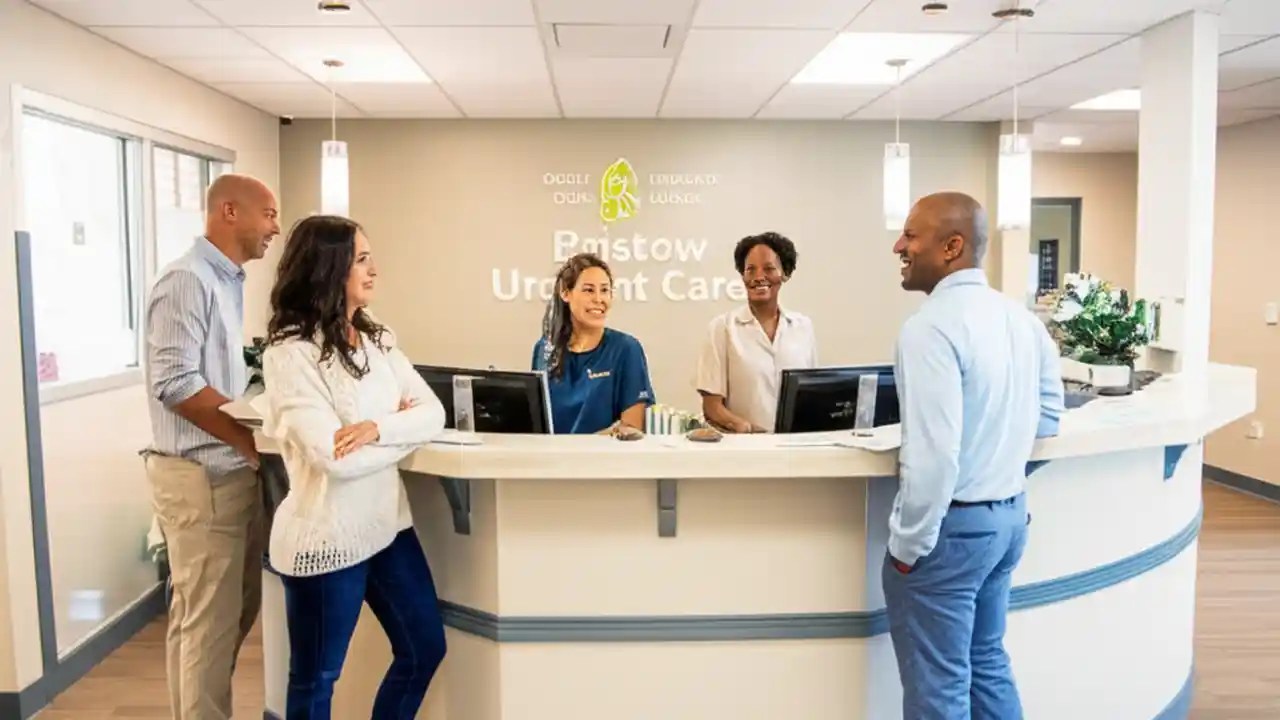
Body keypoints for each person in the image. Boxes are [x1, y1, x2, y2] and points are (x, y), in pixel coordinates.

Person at [251, 216, 448, 719]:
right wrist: (400, 429)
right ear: (328, 268)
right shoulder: (291, 355)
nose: (374, 269)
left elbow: (433, 413)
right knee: (316, 681)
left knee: (424, 649)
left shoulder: (377, 339)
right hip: (325, 538)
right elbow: (332, 459)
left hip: (387, 526)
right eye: (361, 259)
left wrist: (378, 429)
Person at [882, 192, 1064, 720]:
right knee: (986, 661)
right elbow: (1048, 419)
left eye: (911, 235)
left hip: (951, 535)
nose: (899, 245)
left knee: (938, 689)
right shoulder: (1021, 319)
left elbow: (933, 456)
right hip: (1008, 520)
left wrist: (908, 547)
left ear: (952, 246)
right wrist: (999, 465)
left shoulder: (929, 327)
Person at [142, 173, 278, 720]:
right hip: (201, 477)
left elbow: (214, 376)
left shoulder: (227, 280)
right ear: (229, 211)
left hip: (224, 472)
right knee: (208, 627)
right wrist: (250, 440)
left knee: (216, 621)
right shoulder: (187, 280)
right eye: (267, 214)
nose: (274, 227)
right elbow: (175, 383)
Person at [695, 231, 818, 433]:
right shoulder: (723, 328)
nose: (758, 277)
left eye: (769, 269)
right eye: (750, 270)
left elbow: (812, 395)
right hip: (745, 450)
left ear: (785, 274)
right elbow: (712, 406)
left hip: (796, 448)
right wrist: (743, 427)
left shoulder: (802, 327)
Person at [532, 252, 655, 434]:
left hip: (604, 460)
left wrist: (578, 450)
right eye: (589, 290)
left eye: (605, 290)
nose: (599, 299)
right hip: (552, 460)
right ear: (565, 293)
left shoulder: (626, 349)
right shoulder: (544, 348)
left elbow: (631, 428)